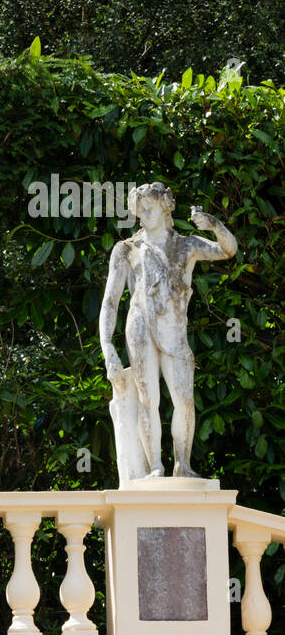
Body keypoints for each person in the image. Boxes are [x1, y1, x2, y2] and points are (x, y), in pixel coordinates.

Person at [99, 182, 236, 480]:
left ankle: (182, 465)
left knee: (184, 400)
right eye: (140, 209)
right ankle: (156, 468)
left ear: (166, 206)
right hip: (140, 327)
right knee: (149, 400)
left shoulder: (185, 245)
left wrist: (214, 224)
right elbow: (110, 302)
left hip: (174, 330)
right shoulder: (126, 249)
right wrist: (107, 346)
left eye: (150, 207)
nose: (144, 213)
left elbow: (228, 250)